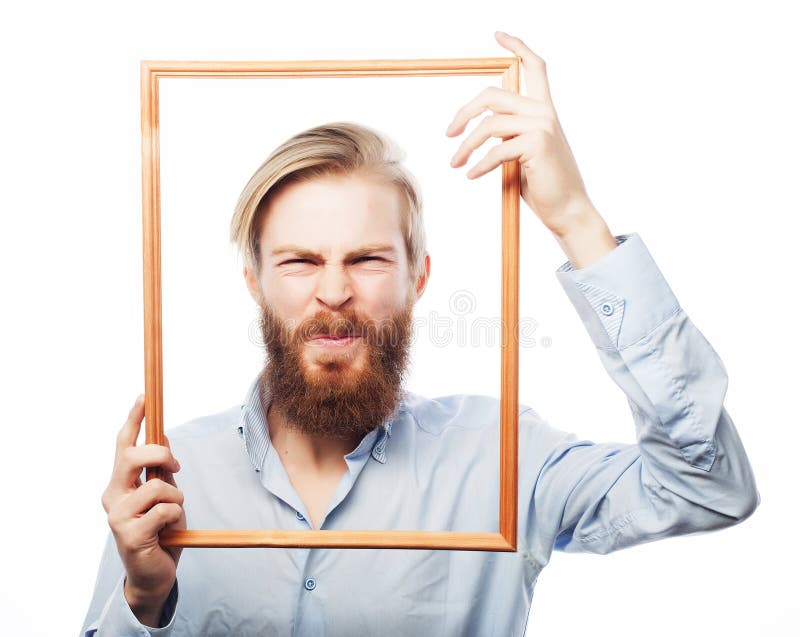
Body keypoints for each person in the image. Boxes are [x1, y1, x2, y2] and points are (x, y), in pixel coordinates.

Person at [80, 31, 759, 636]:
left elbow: (709, 487)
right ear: (254, 281)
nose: (334, 291)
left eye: (368, 259)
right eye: (300, 261)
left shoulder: (503, 460)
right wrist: (144, 600)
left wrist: (575, 218)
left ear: (419, 278)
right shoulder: (170, 482)